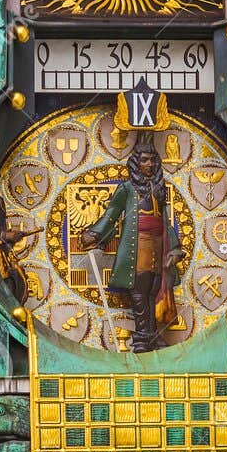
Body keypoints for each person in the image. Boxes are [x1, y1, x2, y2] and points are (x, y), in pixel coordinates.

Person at [79, 139, 185, 352]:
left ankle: (152, 336)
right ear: (135, 164)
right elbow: (112, 215)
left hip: (157, 246)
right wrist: (94, 234)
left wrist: (174, 249)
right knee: (139, 291)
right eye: (145, 160)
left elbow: (165, 221)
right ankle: (141, 338)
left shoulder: (158, 190)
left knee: (154, 291)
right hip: (138, 247)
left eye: (153, 160)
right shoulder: (126, 189)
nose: (150, 164)